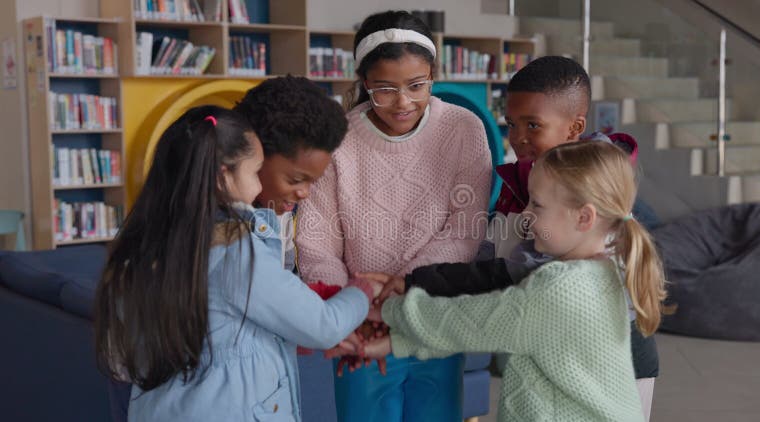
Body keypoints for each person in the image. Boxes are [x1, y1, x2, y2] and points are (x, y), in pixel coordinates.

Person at [359, 56, 661, 419]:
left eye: (533, 125)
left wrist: (396, 303)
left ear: (574, 127)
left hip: (620, 366)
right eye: (512, 124)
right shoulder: (534, 193)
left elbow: (482, 316)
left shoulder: (562, 280)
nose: (517, 137)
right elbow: (493, 286)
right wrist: (399, 336)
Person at [94, 105, 382, 421]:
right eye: (254, 171)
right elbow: (324, 326)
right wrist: (362, 289)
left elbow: (124, 359)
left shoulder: (136, 248)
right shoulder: (238, 251)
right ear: (224, 176)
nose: (259, 186)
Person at [295, 10, 493, 422]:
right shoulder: (338, 140)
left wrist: (402, 292)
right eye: (385, 89)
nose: (403, 102)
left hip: (432, 315)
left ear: (433, 75)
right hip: (361, 326)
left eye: (416, 86)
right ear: (365, 82)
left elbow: (463, 230)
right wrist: (348, 312)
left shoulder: (463, 128)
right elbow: (316, 241)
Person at [234, 75, 349, 271]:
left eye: (312, 182)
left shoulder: (279, 210)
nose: (304, 193)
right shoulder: (226, 229)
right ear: (254, 156)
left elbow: (286, 279)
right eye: (295, 180)